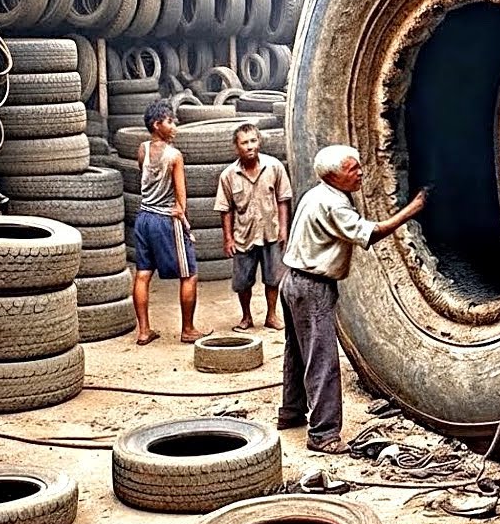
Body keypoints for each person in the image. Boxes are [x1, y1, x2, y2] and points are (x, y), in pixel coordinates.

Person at [278, 144, 428, 454]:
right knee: (323, 361)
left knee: (297, 353)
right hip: (312, 286)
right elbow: (369, 234)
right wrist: (412, 210)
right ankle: (323, 435)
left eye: (358, 166)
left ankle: (291, 413)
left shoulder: (317, 193)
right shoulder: (334, 205)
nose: (359, 172)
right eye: (352, 169)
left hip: (293, 280)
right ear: (333, 176)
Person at [131, 99, 209, 345]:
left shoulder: (142, 148)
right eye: (169, 121)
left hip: (143, 218)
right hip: (165, 219)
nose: (174, 125)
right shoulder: (174, 155)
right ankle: (188, 329)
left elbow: (143, 176)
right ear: (157, 125)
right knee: (189, 275)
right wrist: (183, 220)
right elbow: (181, 198)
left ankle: (144, 331)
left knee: (143, 274)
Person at [214, 123, 293, 332]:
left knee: (273, 277)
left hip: (271, 232)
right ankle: (246, 317)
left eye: (253, 141)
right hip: (244, 235)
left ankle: (271, 315)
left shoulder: (274, 167)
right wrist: (228, 238)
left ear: (259, 142)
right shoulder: (228, 175)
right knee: (243, 280)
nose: (250, 146)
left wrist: (283, 229)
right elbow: (225, 209)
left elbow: (283, 199)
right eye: (244, 143)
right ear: (236, 147)